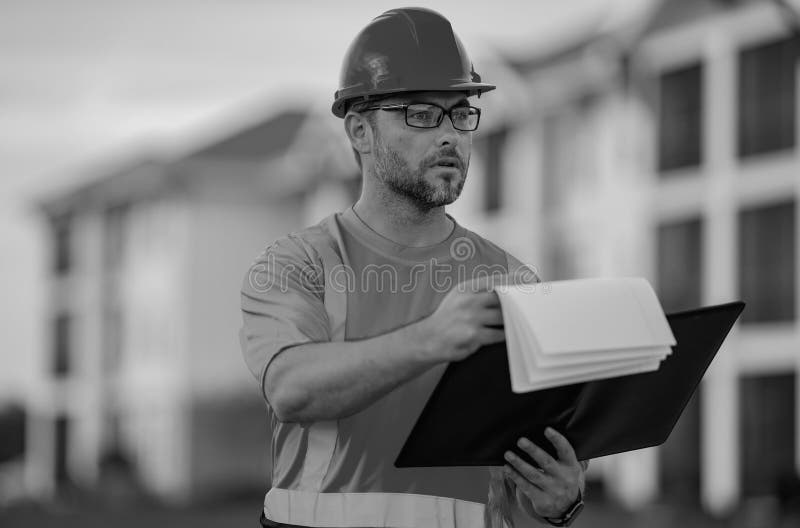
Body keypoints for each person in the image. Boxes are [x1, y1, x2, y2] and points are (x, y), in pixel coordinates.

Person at [239, 7, 588, 528]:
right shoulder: (297, 263)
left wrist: (558, 504)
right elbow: (291, 389)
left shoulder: (512, 280)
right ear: (360, 130)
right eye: (422, 114)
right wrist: (432, 338)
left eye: (461, 114)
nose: (450, 135)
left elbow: (519, 487)